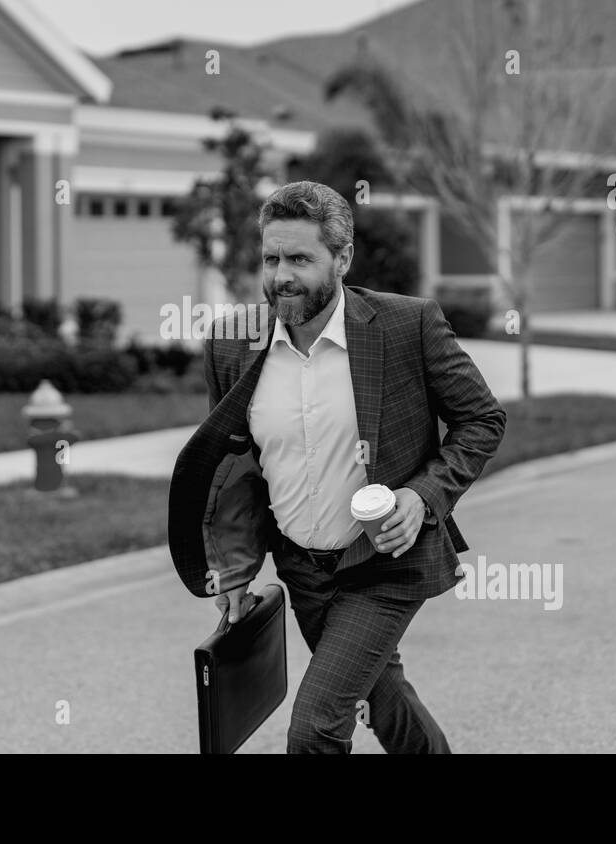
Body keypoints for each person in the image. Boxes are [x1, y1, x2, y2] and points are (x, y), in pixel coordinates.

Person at [168, 180, 506, 754]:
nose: (281, 276)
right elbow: (238, 473)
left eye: (300, 258)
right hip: (302, 566)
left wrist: (423, 496)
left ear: (342, 258)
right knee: (383, 698)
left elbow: (481, 420)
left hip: (384, 561)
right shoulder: (231, 342)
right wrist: (233, 569)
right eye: (272, 258)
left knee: (316, 729)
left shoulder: (406, 326)